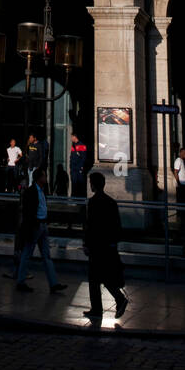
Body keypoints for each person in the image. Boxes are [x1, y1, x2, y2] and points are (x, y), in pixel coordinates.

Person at [83, 171, 128, 319]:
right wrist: (113, 242)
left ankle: (99, 308)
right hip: (108, 245)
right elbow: (117, 225)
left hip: (97, 246)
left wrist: (87, 244)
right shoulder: (111, 202)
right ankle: (117, 299)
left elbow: (90, 226)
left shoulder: (93, 202)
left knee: (94, 278)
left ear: (93, 185)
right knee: (104, 276)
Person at [16, 169, 66, 295]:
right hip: (36, 225)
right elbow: (28, 212)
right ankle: (21, 281)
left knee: (46, 256)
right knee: (27, 253)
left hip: (42, 225)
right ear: (39, 178)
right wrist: (32, 226)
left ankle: (53, 283)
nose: (46, 178)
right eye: (44, 176)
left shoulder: (42, 191)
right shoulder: (31, 192)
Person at [69, 133, 88, 198]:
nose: (71, 138)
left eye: (72, 137)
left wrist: (81, 167)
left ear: (75, 137)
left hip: (78, 169)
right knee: (74, 184)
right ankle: (74, 198)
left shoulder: (81, 145)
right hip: (73, 168)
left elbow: (83, 158)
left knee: (80, 184)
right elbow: (72, 157)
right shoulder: (73, 145)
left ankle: (80, 199)